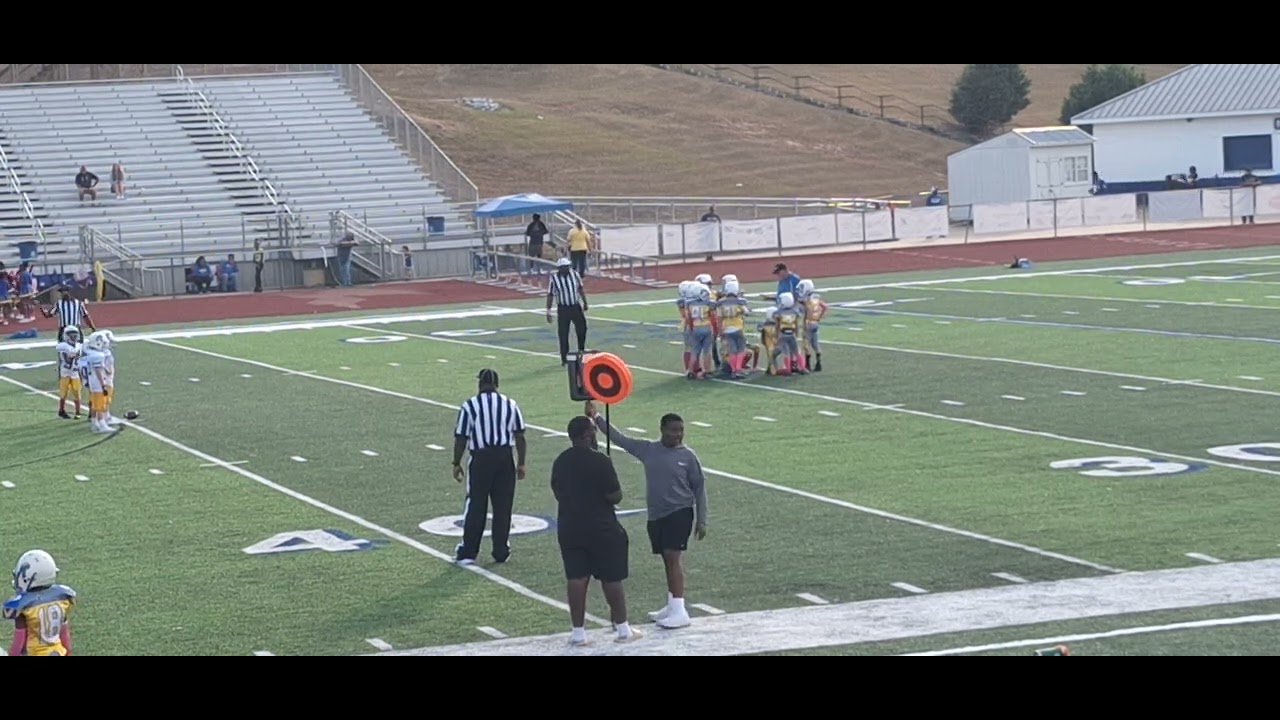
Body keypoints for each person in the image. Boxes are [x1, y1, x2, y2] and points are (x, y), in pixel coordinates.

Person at [586, 401, 707, 630]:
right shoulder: (648, 449)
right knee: (666, 559)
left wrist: (701, 520)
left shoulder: (688, 457)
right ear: (662, 430)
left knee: (673, 558)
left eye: (680, 430)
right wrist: (597, 418)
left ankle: (680, 610)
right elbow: (620, 439)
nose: (677, 435)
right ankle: (672, 604)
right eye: (673, 430)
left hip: (679, 513)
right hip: (657, 515)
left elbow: (700, 487)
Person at [551, 416, 641, 646]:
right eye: (593, 430)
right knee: (611, 577)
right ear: (586, 434)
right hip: (601, 526)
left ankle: (578, 632)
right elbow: (615, 495)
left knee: (576, 577)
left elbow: (557, 490)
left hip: (570, 525)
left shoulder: (561, 461)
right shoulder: (600, 460)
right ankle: (622, 628)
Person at [452, 368, 527, 565]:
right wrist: (521, 463)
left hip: (481, 458)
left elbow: (461, 437)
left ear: (479, 384)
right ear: (497, 384)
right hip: (505, 457)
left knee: (476, 504)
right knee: (503, 505)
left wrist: (456, 462)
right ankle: (501, 550)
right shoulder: (510, 404)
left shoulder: (470, 405)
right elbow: (520, 436)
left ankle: (469, 551)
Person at [4, 549, 75, 656]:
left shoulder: (24, 605)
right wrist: (68, 652)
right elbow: (64, 633)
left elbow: (19, 640)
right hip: (57, 652)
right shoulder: (62, 599)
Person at [546, 258, 589, 366]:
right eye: (564, 267)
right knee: (563, 333)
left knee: (582, 328)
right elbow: (550, 294)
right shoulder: (554, 278)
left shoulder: (575, 275)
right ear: (560, 268)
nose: (566, 269)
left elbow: (580, 289)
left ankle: (581, 350)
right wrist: (548, 310)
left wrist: (585, 302)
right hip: (563, 308)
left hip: (575, 306)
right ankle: (564, 358)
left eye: (567, 267)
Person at [54, 325, 84, 419]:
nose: (73, 336)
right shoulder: (63, 346)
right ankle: (61, 410)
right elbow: (62, 351)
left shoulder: (79, 345)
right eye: (71, 334)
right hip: (65, 372)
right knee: (63, 392)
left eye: (75, 334)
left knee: (77, 392)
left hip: (75, 372)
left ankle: (78, 412)